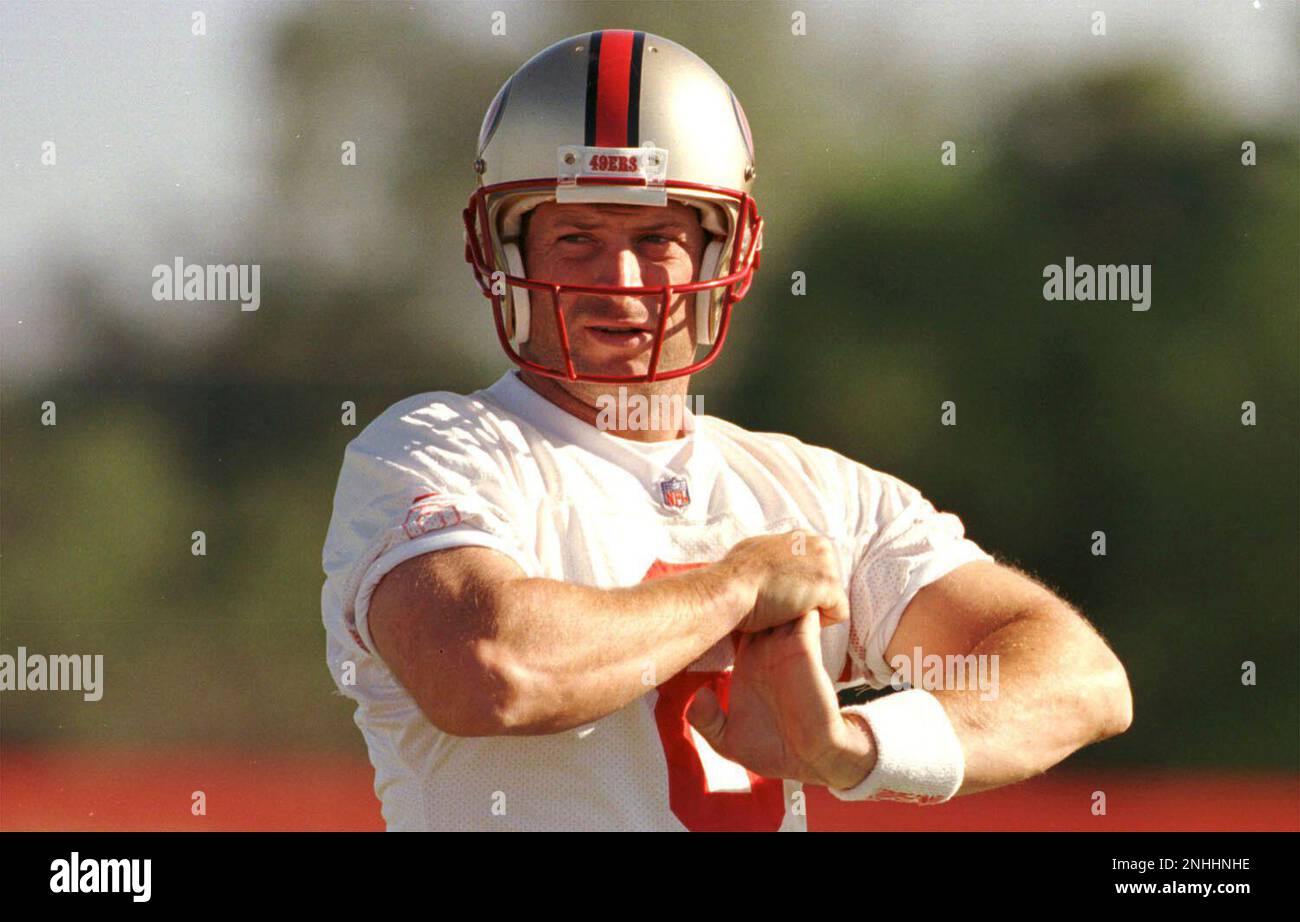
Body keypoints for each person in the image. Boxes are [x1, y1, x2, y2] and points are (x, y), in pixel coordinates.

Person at [321, 29, 1132, 831]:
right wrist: (734, 588)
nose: (620, 281)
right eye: (576, 239)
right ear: (498, 246)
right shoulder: (439, 449)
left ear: (726, 250)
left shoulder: (814, 492)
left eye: (657, 240)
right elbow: (486, 670)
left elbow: (1084, 681)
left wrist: (850, 746)